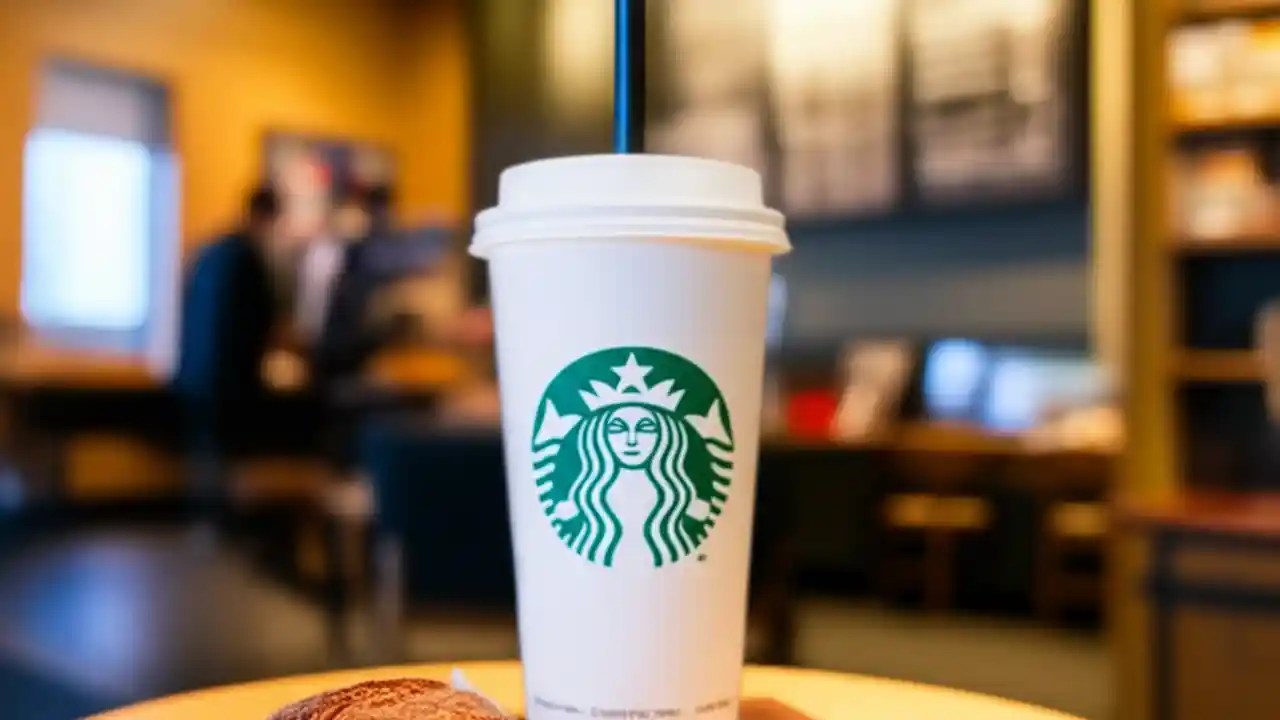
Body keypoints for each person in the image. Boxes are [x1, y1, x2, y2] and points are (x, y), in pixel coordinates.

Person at [174, 186, 281, 462]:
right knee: (224, 474)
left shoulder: (208, 251)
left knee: (199, 468)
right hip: (228, 388)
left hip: (193, 379)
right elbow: (260, 324)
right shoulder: (247, 259)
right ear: (268, 218)